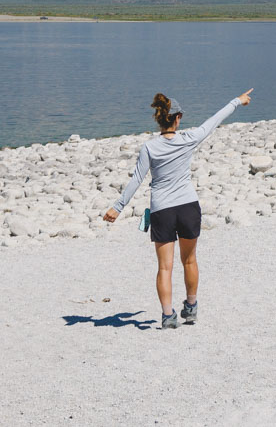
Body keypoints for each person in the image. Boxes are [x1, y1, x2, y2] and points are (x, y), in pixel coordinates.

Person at [103, 88, 253, 329]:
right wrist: (238, 101)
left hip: (162, 210)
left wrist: (117, 208)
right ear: (177, 118)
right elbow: (215, 120)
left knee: (164, 266)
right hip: (187, 207)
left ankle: (167, 315)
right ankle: (191, 308)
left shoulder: (149, 147)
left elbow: (136, 179)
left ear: (159, 119)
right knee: (190, 261)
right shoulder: (189, 138)